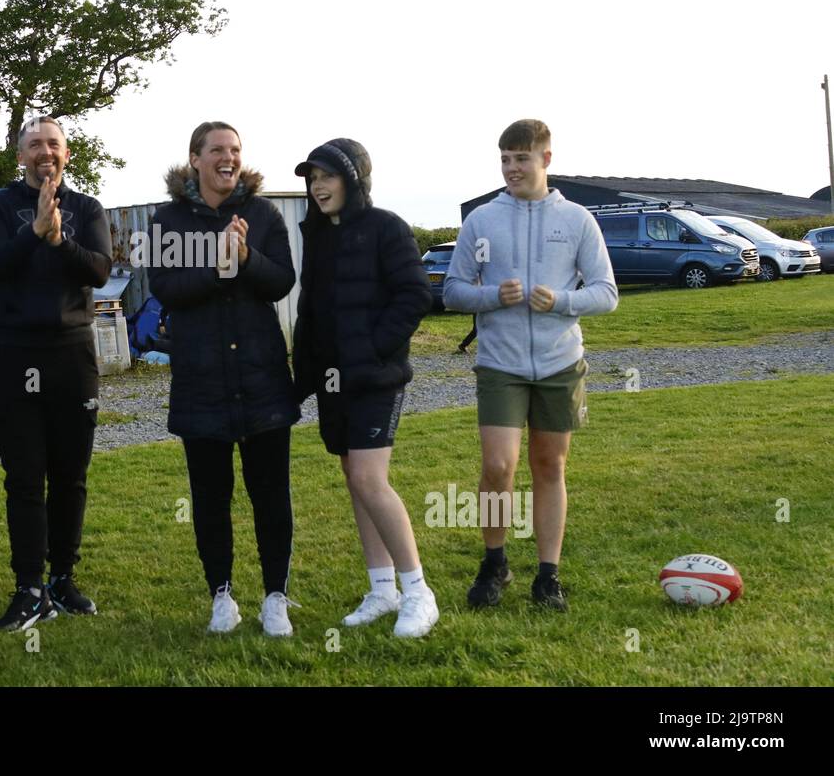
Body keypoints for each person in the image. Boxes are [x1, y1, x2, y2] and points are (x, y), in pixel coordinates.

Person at [443, 119, 618, 610]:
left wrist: (562, 301)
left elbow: (606, 294)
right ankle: (494, 563)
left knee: (550, 464)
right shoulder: (481, 220)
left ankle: (548, 576)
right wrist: (491, 295)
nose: (511, 168)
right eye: (504, 159)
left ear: (546, 159)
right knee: (498, 466)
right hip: (500, 362)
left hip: (561, 363)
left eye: (521, 158)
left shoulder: (578, 219)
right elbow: (453, 291)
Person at [147, 121, 301, 636]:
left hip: (261, 378)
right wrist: (217, 268)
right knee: (211, 498)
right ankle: (222, 595)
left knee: (271, 494)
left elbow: (282, 281)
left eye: (234, 149)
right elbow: (167, 288)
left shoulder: (262, 214)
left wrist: (247, 258)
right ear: (195, 159)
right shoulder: (169, 221)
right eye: (217, 150)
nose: (227, 158)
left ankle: (276, 595)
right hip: (202, 381)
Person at [290, 139, 439, 637]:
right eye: (311, 179)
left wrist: (374, 349)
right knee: (355, 479)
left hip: (377, 378)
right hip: (335, 383)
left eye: (326, 176)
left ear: (353, 179)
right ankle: (381, 591)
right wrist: (303, 378)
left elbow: (416, 293)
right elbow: (311, 311)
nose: (317, 186)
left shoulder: (387, 228)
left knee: (372, 480)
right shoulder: (316, 235)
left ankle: (418, 592)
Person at [0, 116, 111, 631]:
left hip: (72, 356)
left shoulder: (87, 208)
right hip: (16, 355)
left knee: (71, 476)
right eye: (34, 144)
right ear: (20, 156)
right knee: (25, 477)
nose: (44, 152)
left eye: (53, 144)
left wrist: (58, 242)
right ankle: (29, 587)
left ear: (67, 154)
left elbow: (98, 270)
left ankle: (63, 578)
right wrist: (34, 232)